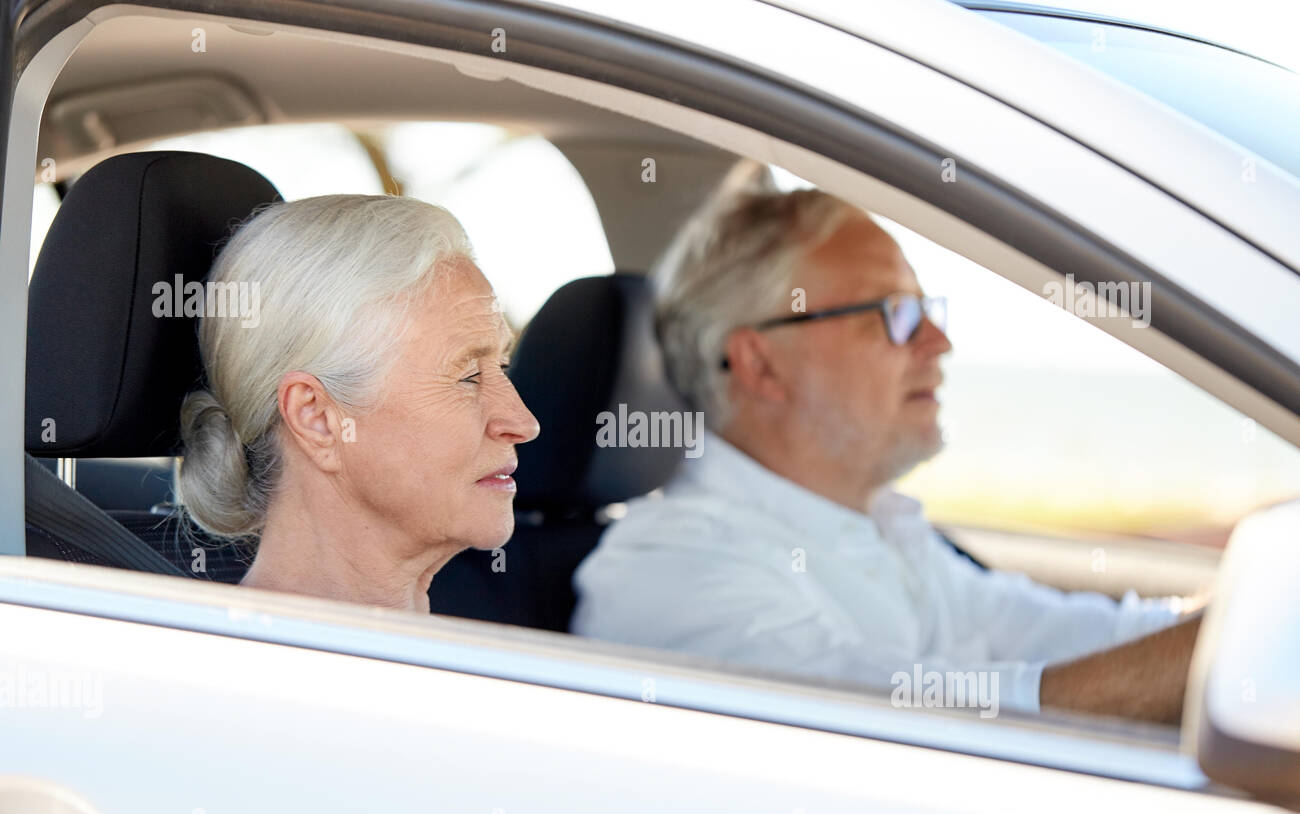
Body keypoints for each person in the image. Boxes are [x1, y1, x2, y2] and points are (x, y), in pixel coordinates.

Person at [571, 187, 1202, 723]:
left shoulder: (876, 531)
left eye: (926, 310)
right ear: (760, 363)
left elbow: (1091, 638)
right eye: (895, 313)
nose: (939, 340)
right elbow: (933, 726)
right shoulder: (675, 577)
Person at [178, 194, 539, 611]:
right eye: (468, 376)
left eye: (503, 366)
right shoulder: (224, 674)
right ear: (317, 418)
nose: (522, 422)